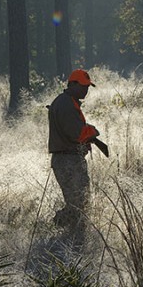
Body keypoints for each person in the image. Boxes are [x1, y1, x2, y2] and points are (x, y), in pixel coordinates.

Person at [47, 69, 101, 231]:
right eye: (83, 86)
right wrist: (93, 131)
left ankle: (68, 233)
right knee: (78, 205)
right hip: (68, 161)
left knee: (79, 203)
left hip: (68, 159)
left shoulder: (66, 102)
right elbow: (77, 134)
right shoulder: (66, 105)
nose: (86, 90)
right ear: (72, 84)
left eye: (88, 87)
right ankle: (57, 231)